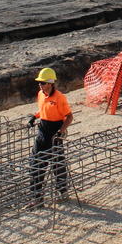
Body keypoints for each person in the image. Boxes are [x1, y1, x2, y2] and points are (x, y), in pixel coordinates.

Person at [29, 67, 72, 206]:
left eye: (42, 82)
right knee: (35, 164)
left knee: (57, 164)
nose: (40, 85)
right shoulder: (40, 94)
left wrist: (61, 131)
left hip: (55, 132)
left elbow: (69, 117)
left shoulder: (60, 97)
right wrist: (34, 117)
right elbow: (43, 110)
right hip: (42, 131)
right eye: (39, 82)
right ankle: (37, 198)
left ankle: (63, 192)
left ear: (50, 83)